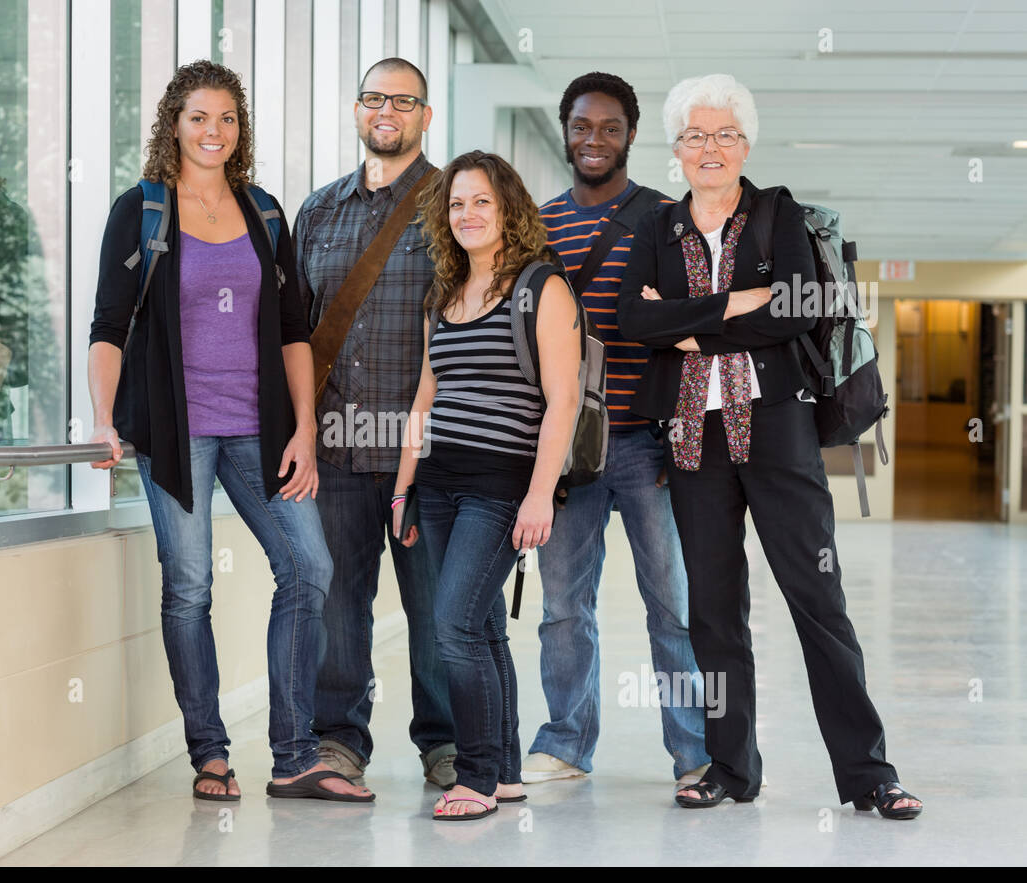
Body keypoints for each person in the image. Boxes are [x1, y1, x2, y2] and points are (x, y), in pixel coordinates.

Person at [618, 73, 922, 819]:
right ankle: (731, 767)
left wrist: (687, 324)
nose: (709, 148)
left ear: (745, 144)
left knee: (817, 600)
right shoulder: (657, 228)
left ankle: (869, 774)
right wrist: (729, 307)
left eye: (723, 134)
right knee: (714, 613)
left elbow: (788, 312)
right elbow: (633, 319)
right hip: (694, 440)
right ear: (676, 150)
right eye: (694, 136)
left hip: (778, 432)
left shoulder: (778, 214)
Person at [88, 60, 370, 803]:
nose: (213, 132)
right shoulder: (142, 209)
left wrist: (304, 429)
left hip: (259, 428)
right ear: (172, 126)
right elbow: (109, 327)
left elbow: (292, 330)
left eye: (227, 119)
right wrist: (100, 419)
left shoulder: (263, 212)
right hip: (175, 433)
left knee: (309, 568)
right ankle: (209, 752)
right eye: (198, 118)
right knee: (189, 587)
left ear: (239, 129)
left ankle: (294, 753)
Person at [525, 71, 710, 792]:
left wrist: (681, 440)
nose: (593, 140)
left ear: (632, 135)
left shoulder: (668, 218)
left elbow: (698, 335)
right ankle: (566, 742)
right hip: (567, 450)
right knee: (564, 607)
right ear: (564, 131)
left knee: (673, 607)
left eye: (609, 128)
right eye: (581, 126)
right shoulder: (537, 226)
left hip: (646, 446)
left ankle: (695, 753)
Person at [393, 151, 581, 820]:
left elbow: (562, 401)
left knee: (453, 625)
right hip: (439, 484)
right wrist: (402, 488)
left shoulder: (542, 287)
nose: (467, 214)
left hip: (501, 487)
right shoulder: (442, 293)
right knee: (483, 626)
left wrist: (539, 495)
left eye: (481, 202)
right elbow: (425, 395)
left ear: (507, 211)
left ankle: (471, 777)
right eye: (456, 204)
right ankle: (501, 771)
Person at [295, 58, 456, 790]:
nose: (385, 110)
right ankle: (338, 741)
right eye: (372, 98)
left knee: (436, 609)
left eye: (402, 100)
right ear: (356, 110)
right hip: (331, 449)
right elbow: (293, 333)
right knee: (336, 607)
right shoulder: (317, 211)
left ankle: (447, 744)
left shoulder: (455, 205)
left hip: (425, 452)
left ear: (426, 116)